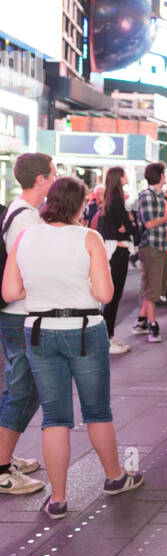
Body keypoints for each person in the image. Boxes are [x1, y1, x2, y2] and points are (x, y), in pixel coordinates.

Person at [2, 176, 142, 520]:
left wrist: (42, 292)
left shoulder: (26, 237)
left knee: (55, 418)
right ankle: (114, 477)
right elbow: (105, 295)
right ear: (80, 205)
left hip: (39, 330)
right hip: (83, 330)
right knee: (96, 410)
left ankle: (59, 499)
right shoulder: (89, 238)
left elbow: (9, 292)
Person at [0, 152, 56, 497]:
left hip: (17, 313)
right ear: (40, 180)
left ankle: (5, 457)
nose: (55, 179)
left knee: (24, 388)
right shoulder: (27, 220)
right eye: (52, 174)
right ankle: (2, 468)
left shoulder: (19, 212)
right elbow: (28, 271)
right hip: (20, 313)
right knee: (23, 389)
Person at [133, 163, 167, 343]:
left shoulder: (159, 195)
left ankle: (141, 321)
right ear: (159, 176)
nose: (165, 176)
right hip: (151, 247)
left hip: (160, 246)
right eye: (163, 173)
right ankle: (152, 325)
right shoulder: (147, 195)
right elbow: (149, 223)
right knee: (153, 286)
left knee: (157, 285)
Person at [100, 166, 135, 355]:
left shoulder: (112, 198)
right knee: (113, 296)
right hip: (117, 252)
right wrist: (130, 227)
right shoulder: (116, 199)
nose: (127, 177)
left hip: (117, 251)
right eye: (125, 175)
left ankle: (109, 334)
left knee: (114, 296)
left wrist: (128, 226)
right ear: (119, 178)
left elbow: (126, 225)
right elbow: (128, 225)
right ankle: (107, 336)